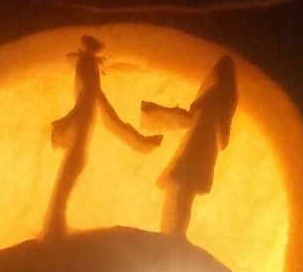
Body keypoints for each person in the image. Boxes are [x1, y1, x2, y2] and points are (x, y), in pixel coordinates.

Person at [45, 35, 162, 236]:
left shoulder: (87, 64)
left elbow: (96, 97)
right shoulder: (86, 65)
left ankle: (56, 216)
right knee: (75, 162)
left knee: (76, 161)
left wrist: (135, 137)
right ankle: (55, 218)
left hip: (85, 116)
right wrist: (67, 120)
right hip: (83, 118)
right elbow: (88, 95)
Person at [141, 54, 237, 236]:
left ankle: (172, 232)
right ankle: (175, 232)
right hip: (205, 153)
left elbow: (193, 118)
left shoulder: (211, 96)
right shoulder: (225, 102)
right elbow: (223, 139)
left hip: (195, 149)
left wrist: (160, 113)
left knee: (179, 190)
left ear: (215, 75)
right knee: (185, 192)